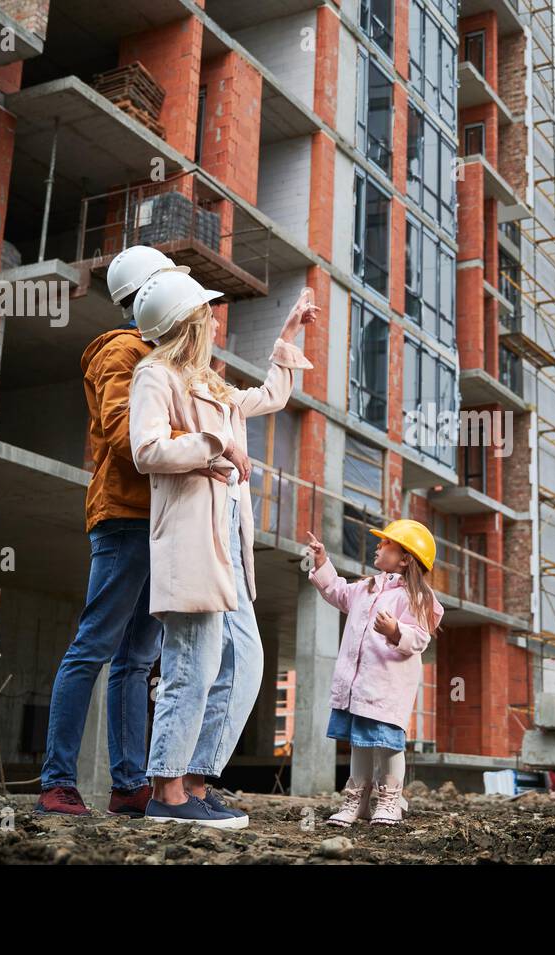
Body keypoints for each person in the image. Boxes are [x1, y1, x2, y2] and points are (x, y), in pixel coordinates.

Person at [129, 272, 317, 828]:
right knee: (192, 663)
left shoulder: (209, 383)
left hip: (228, 541)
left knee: (245, 664)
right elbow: (147, 450)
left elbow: (272, 395)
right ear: (187, 320)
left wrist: (288, 333)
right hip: (191, 538)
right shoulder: (155, 375)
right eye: (207, 312)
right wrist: (217, 442)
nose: (215, 319)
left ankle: (194, 780)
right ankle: (166, 792)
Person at [36, 246, 189, 817]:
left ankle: (129, 785)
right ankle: (57, 782)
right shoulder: (122, 352)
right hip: (125, 517)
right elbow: (128, 438)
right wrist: (193, 446)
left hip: (158, 520)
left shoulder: (155, 355)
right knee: (94, 647)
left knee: (135, 659)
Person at [304, 520, 443, 826]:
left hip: (387, 687)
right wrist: (322, 562)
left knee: (389, 743)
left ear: (406, 558)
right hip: (357, 687)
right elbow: (336, 591)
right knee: (359, 743)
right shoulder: (367, 587)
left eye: (386, 544)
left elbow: (419, 638)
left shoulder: (417, 597)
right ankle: (357, 801)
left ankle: (390, 799)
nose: (378, 547)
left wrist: (395, 631)